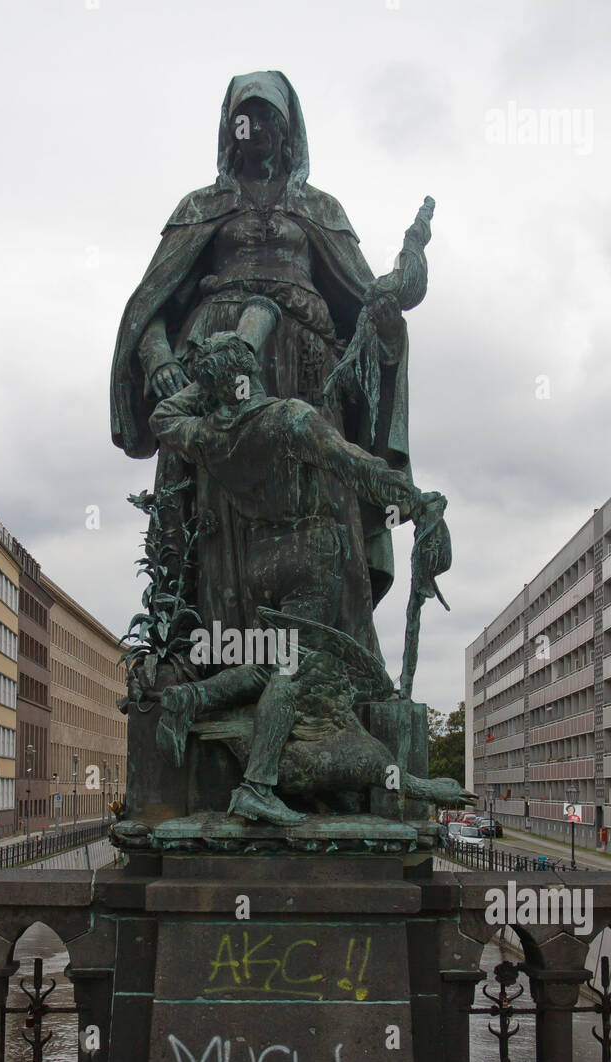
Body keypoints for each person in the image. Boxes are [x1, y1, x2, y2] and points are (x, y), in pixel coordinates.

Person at [111, 71, 419, 658]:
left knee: (320, 490)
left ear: (288, 130)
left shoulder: (320, 209)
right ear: (231, 129)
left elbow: (365, 301)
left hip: (304, 368)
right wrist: (156, 362)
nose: (256, 129)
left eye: (270, 117)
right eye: (245, 117)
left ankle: (329, 655)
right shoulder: (200, 207)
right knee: (213, 508)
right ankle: (208, 656)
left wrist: (386, 325)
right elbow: (147, 307)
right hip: (218, 365)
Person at [149, 329, 441, 824]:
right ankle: (257, 785)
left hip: (258, 560)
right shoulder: (290, 418)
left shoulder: (210, 436)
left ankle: (190, 697)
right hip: (310, 550)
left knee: (267, 663)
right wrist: (416, 501)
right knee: (292, 669)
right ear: (251, 367)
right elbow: (356, 466)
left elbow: (162, 417)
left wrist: (210, 386)